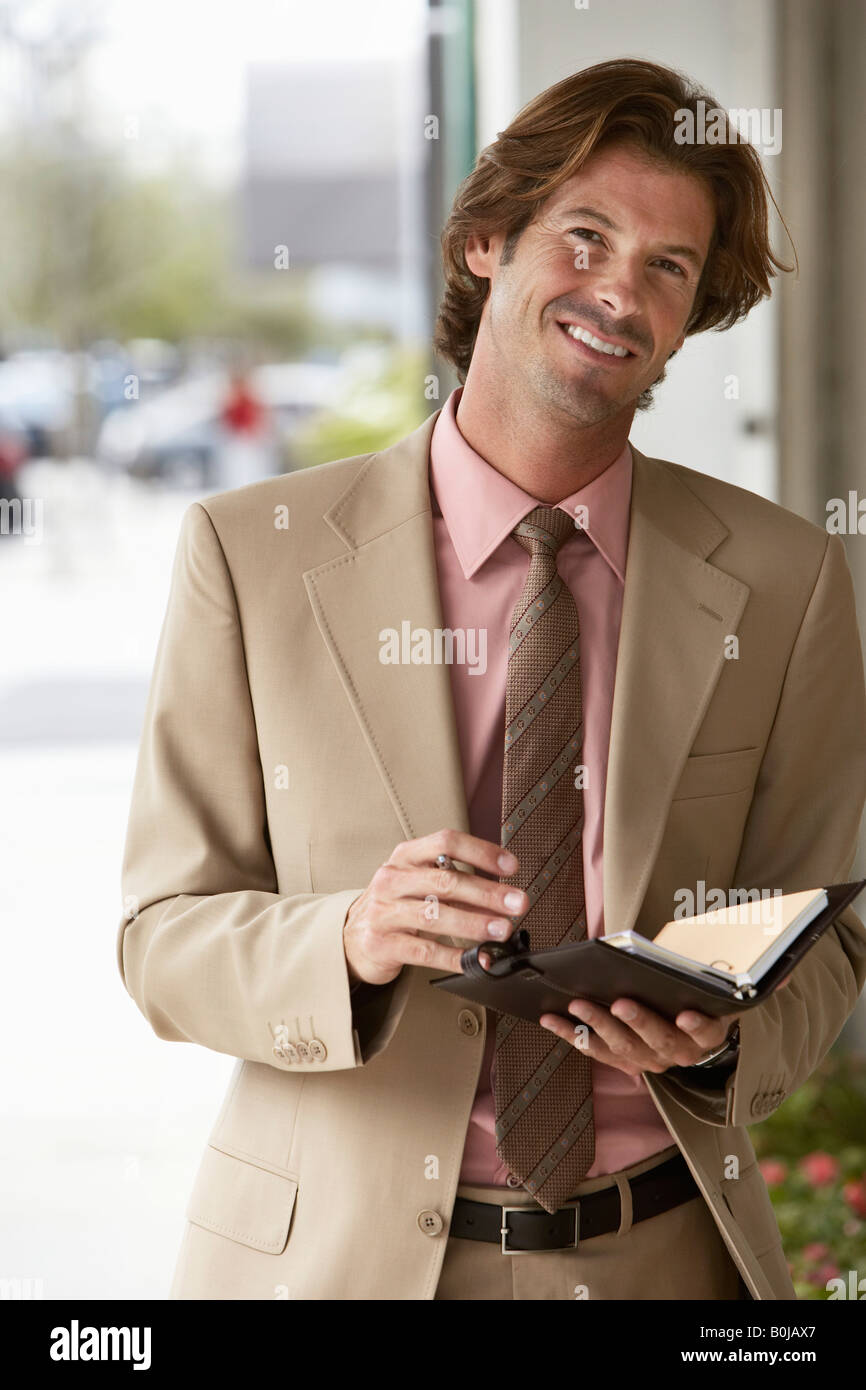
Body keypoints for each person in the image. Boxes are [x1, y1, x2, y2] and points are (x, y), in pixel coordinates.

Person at [118, 58, 866, 1301]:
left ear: (688, 320)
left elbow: (828, 942)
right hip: (335, 1265)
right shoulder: (250, 556)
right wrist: (347, 936)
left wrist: (725, 1042)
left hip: (669, 1262)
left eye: (667, 267)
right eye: (585, 236)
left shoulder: (786, 582)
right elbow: (161, 938)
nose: (618, 290)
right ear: (484, 242)